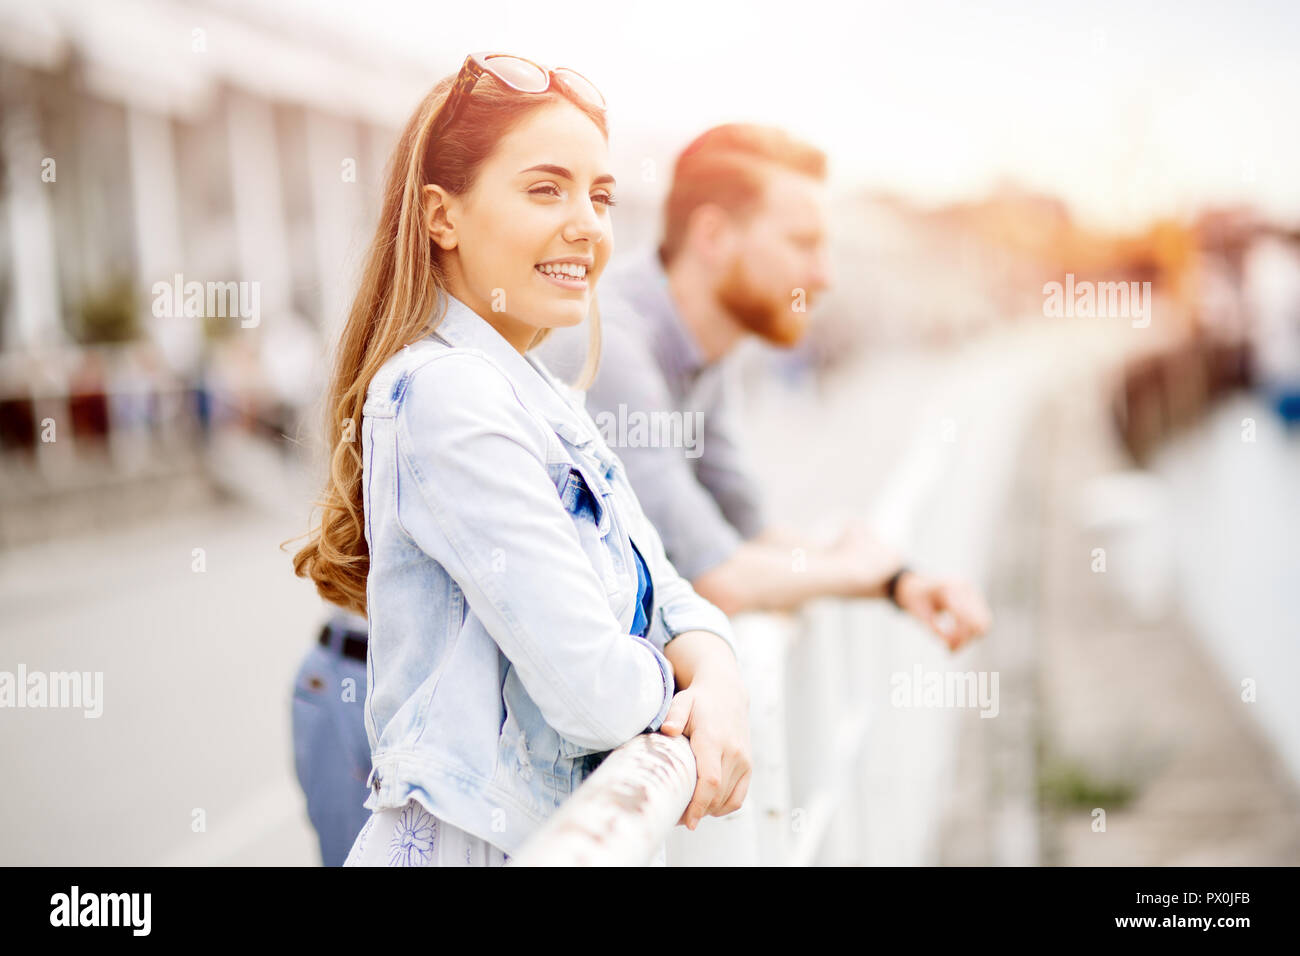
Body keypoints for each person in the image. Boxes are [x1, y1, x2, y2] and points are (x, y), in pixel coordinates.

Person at [286, 53, 749, 867]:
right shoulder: (446, 394)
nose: (587, 224)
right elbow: (594, 694)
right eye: (546, 189)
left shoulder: (542, 397)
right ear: (442, 217)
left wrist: (717, 678)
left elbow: (674, 593)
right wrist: (684, 685)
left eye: (600, 197)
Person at [536, 124, 993, 647]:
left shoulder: (705, 347)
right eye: (803, 244)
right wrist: (865, 574)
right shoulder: (608, 341)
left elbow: (747, 536)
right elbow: (716, 574)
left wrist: (900, 579)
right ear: (712, 237)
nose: (824, 277)